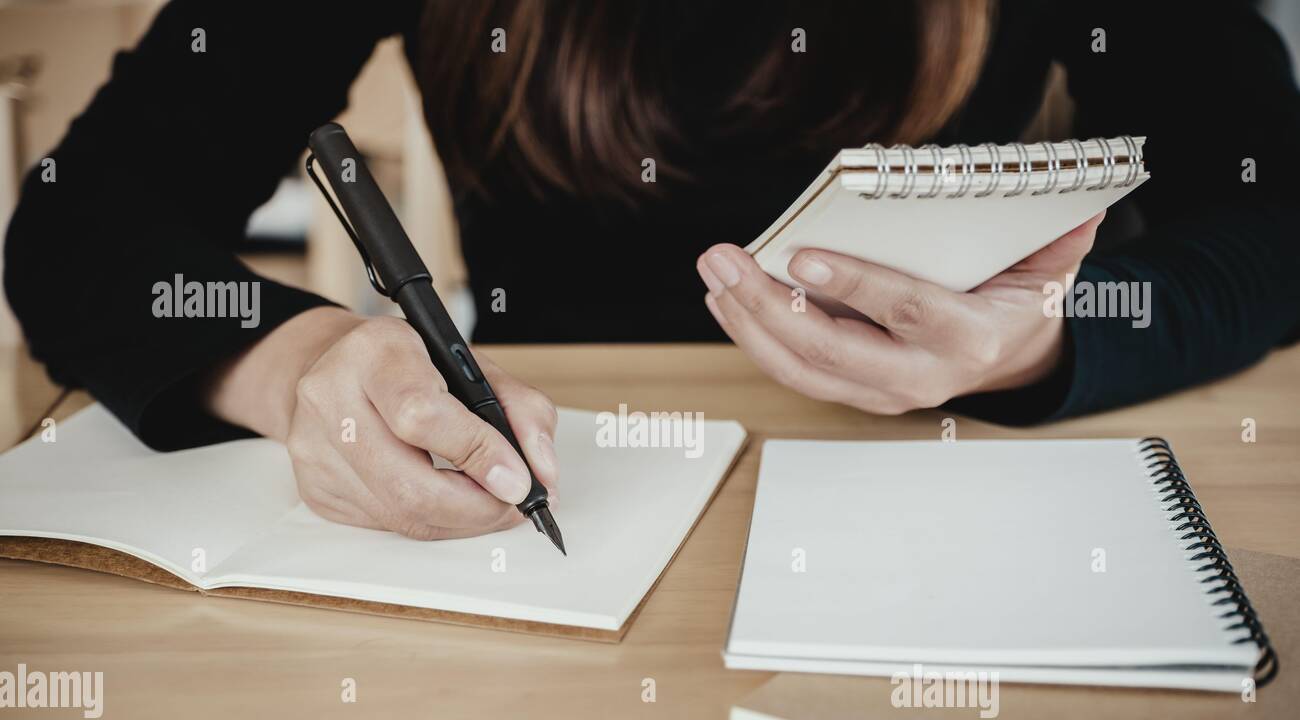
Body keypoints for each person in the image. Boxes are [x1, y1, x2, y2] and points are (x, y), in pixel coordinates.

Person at [6, 0, 1299, 541]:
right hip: (564, 496)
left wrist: (1047, 346)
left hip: (956, 493)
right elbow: (81, 215)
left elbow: (1273, 198)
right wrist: (296, 367)